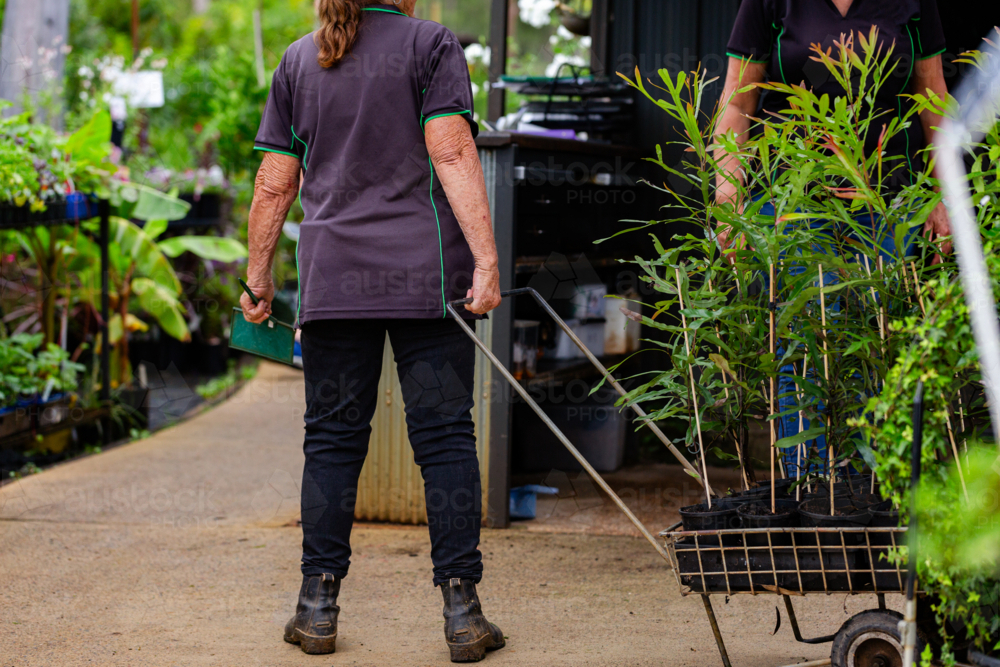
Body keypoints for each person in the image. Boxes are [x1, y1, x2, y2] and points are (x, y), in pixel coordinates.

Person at [240, 0, 504, 661]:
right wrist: (487, 257)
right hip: (425, 280)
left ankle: (317, 608)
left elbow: (275, 186)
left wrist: (258, 276)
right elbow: (451, 148)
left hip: (334, 282)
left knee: (331, 441)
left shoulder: (299, 59)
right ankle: (463, 613)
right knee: (444, 437)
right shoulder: (431, 45)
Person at [715, 0, 952, 475]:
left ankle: (867, 490)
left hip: (885, 199)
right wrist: (727, 197)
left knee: (875, 339)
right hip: (794, 199)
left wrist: (945, 197)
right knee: (804, 342)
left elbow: (934, 97)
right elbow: (739, 101)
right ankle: (809, 488)